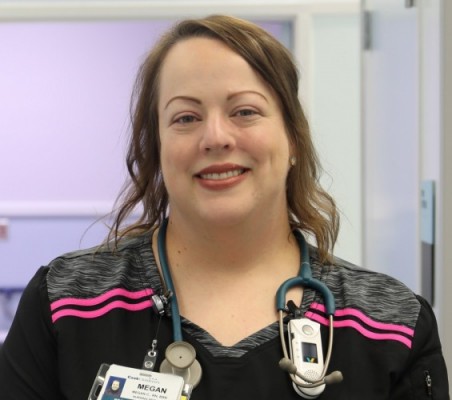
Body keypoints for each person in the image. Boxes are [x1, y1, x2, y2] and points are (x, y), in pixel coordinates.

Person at [0, 15, 449, 400]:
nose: (215, 137)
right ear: (157, 148)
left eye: (245, 111)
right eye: (186, 117)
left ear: (293, 139)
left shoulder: (392, 324)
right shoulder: (64, 304)